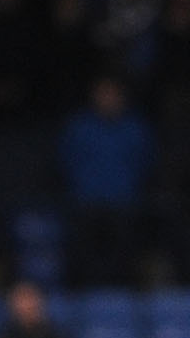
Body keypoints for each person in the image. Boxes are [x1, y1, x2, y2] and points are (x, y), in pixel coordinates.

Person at [61, 77, 154, 286]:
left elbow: (146, 163)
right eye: (103, 93)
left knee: (124, 259)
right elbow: (66, 162)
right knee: (84, 259)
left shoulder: (135, 128)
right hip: (86, 203)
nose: (108, 99)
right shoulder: (79, 127)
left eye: (112, 93)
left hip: (124, 204)